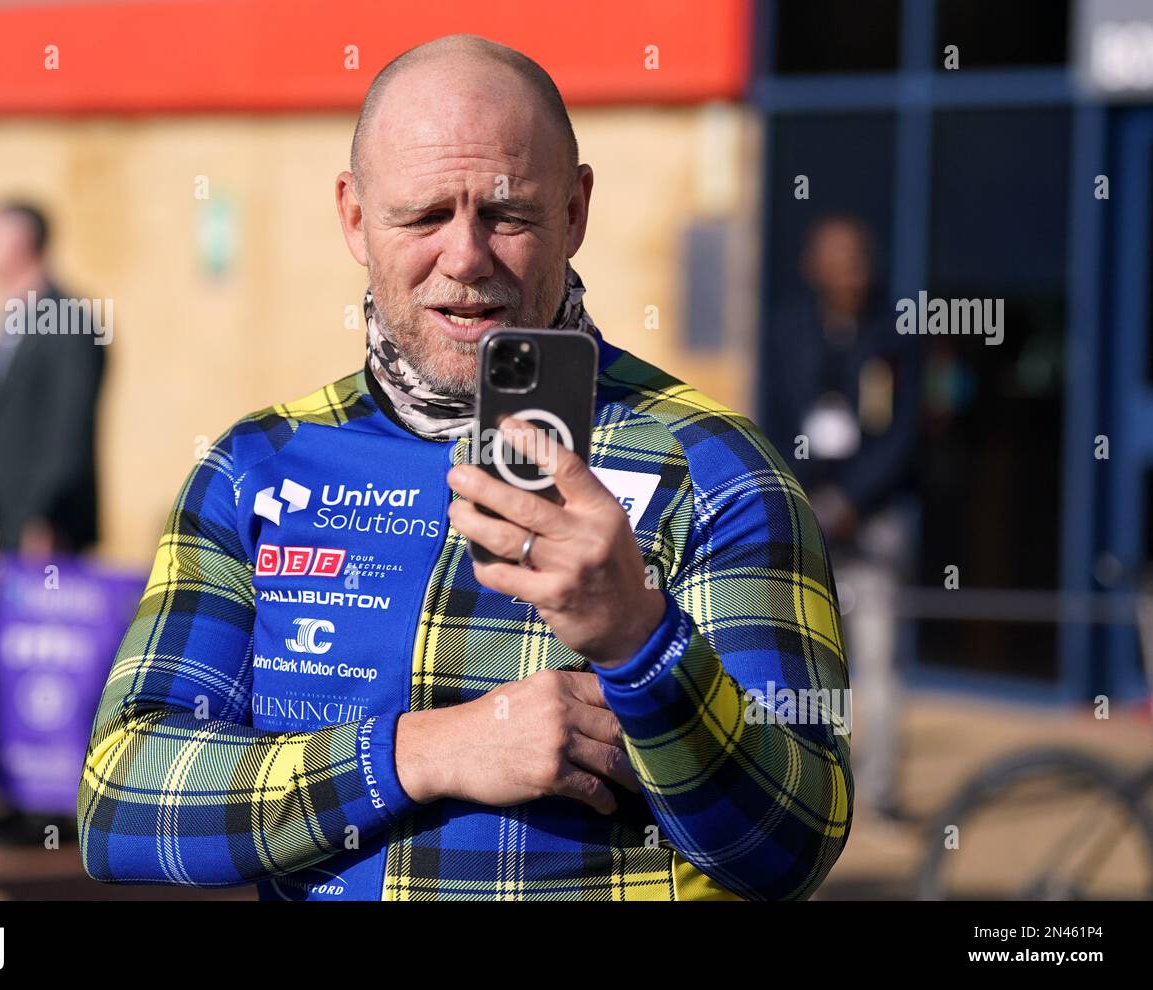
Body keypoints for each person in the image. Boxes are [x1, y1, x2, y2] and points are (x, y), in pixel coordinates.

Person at [78, 35, 853, 901]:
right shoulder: (257, 465)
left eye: (508, 214)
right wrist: (428, 752)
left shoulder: (713, 469)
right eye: (422, 216)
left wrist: (641, 642)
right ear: (353, 217)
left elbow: (795, 844)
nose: (465, 257)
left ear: (576, 209)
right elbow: (119, 804)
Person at [764, 214, 922, 820]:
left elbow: (903, 432)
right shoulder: (789, 332)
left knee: (879, 659)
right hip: (805, 515)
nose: (851, 270)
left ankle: (878, 792)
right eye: (837, 258)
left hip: (873, 518)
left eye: (859, 256)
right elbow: (773, 422)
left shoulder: (893, 334)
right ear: (814, 266)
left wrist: (854, 501)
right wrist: (804, 500)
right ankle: (810, 788)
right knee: (805, 657)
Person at [0, 201, 106, 556]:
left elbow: (70, 427)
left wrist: (46, 516)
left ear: (23, 244)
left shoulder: (68, 320)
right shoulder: (10, 320)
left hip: (41, 531)